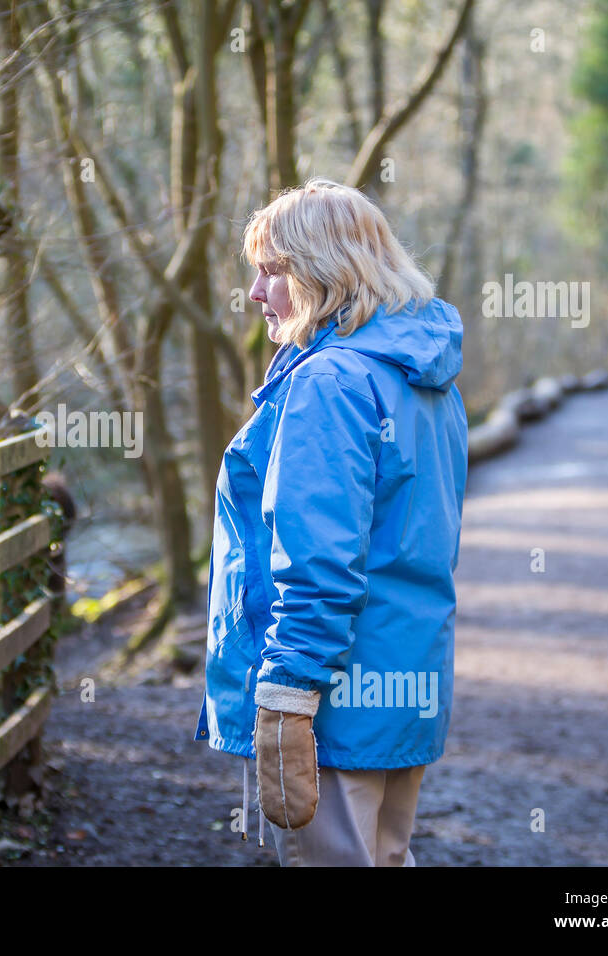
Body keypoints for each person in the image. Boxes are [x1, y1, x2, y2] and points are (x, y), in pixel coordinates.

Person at [194, 178, 468, 867]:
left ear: (324, 271)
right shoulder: (423, 375)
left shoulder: (333, 381)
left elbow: (318, 565)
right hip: (403, 680)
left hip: (332, 700)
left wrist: (287, 696)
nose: (256, 293)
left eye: (272, 270)